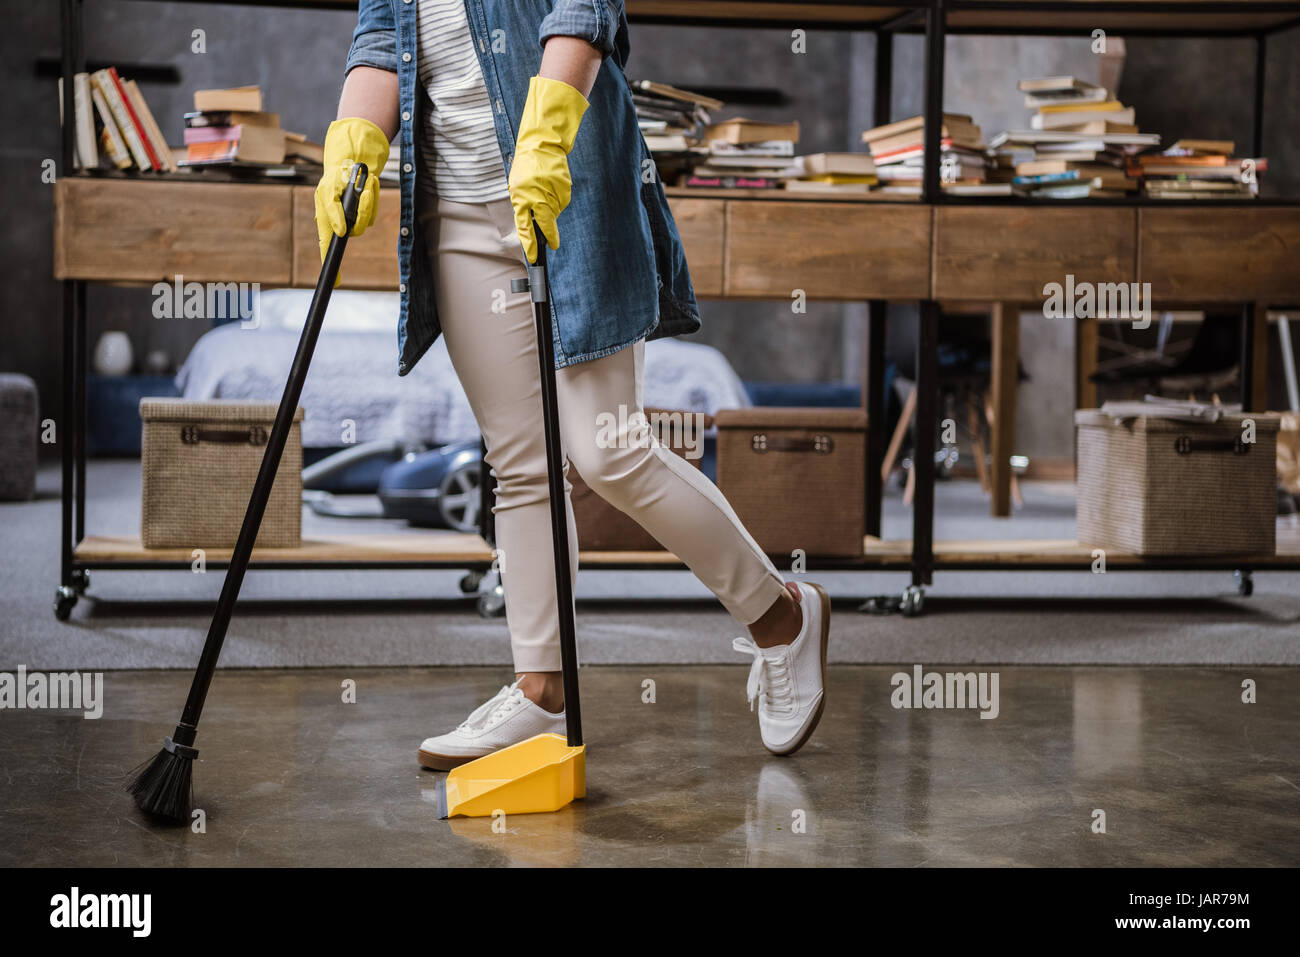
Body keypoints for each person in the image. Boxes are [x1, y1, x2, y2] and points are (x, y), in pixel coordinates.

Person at [315, 0, 831, 769]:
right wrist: (353, 142)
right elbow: (382, 37)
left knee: (610, 449)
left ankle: (780, 617)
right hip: (454, 209)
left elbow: (585, 8)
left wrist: (549, 129)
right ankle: (540, 691)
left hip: (570, 185)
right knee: (519, 462)